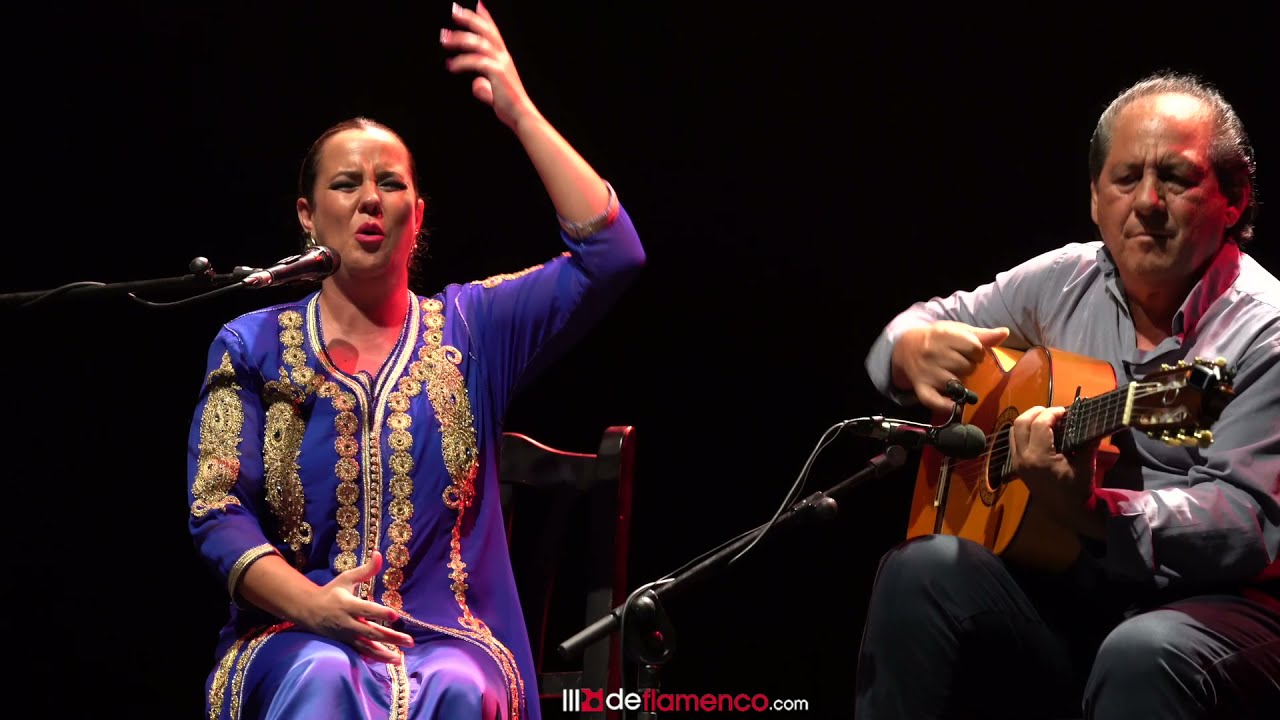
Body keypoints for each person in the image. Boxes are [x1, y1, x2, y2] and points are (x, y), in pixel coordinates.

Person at [185, 4, 645, 719]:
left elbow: (612, 257)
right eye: (346, 184)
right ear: (306, 215)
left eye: (391, 184)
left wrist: (519, 110)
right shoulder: (251, 344)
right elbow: (217, 510)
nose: (370, 197)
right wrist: (313, 606)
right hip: (293, 632)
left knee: (458, 687)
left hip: (450, 642)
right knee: (322, 676)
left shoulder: (473, 327)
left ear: (418, 213)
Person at [855, 72, 1279, 719]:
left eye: (1176, 178)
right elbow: (908, 330)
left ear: (1234, 198)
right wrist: (911, 348)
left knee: (1143, 651)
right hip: (1071, 588)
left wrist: (1094, 510)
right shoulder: (1063, 279)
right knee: (921, 572)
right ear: (1094, 197)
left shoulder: (1264, 330)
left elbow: (1250, 521)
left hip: (1220, 607)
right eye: (1125, 178)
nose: (1147, 201)